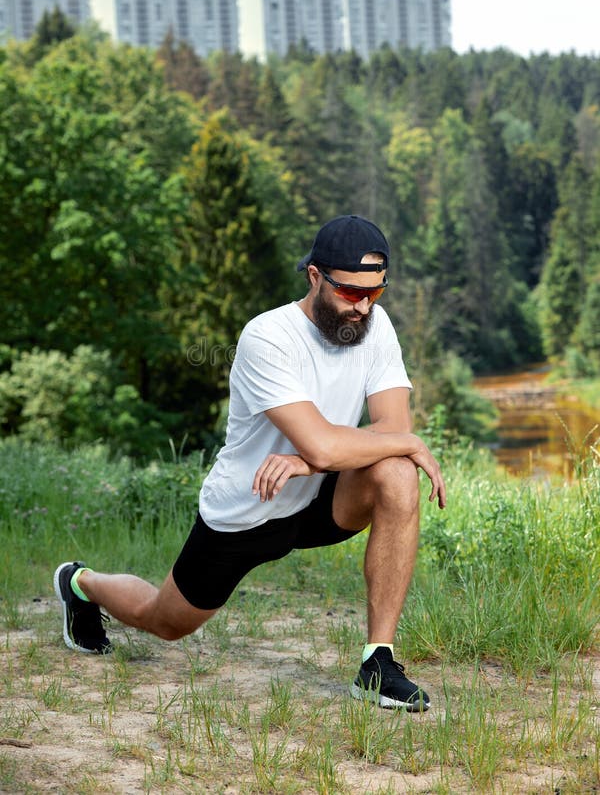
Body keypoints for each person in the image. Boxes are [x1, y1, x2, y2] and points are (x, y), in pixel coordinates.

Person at [54, 214, 446, 712]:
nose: (363, 306)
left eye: (376, 293)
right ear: (314, 277)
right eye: (350, 293)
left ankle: (378, 663)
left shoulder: (374, 325)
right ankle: (81, 584)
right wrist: (329, 453)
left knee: (395, 470)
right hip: (250, 507)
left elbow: (391, 431)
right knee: (165, 621)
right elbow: (338, 444)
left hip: (319, 496)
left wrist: (311, 462)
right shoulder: (268, 337)